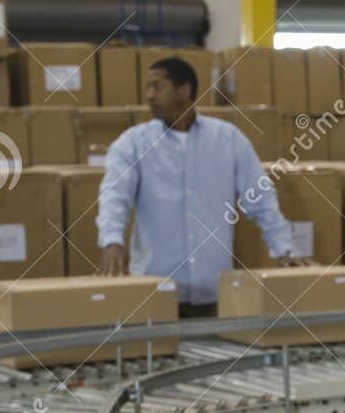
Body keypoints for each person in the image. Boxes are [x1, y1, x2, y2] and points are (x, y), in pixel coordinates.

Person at [97, 54, 307, 315]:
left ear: (184, 90)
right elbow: (114, 196)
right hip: (155, 291)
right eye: (148, 87)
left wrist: (285, 249)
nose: (149, 95)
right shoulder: (133, 144)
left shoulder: (228, 139)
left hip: (214, 290)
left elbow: (261, 198)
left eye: (158, 87)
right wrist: (112, 240)